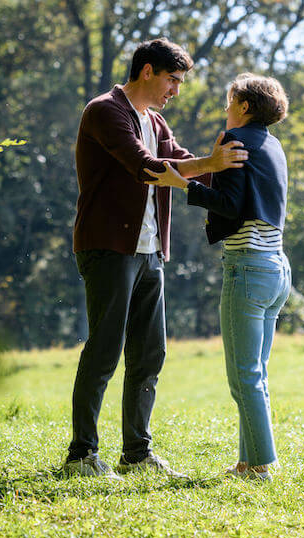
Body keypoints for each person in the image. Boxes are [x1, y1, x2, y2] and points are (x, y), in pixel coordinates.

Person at [65, 38, 248, 479]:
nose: (176, 90)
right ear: (147, 70)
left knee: (150, 352)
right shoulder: (105, 111)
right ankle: (81, 455)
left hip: (150, 251)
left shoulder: (156, 120)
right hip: (108, 247)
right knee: (105, 349)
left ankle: (136, 452)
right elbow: (147, 166)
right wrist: (212, 162)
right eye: (172, 79)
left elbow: (181, 160)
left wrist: (226, 167)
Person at [147, 73, 290, 481]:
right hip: (277, 267)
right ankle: (248, 463)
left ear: (245, 106)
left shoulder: (234, 141)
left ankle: (262, 464)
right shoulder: (273, 145)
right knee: (255, 374)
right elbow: (246, 199)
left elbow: (229, 205)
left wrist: (180, 182)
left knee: (243, 378)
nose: (225, 109)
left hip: (248, 266)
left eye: (230, 101)